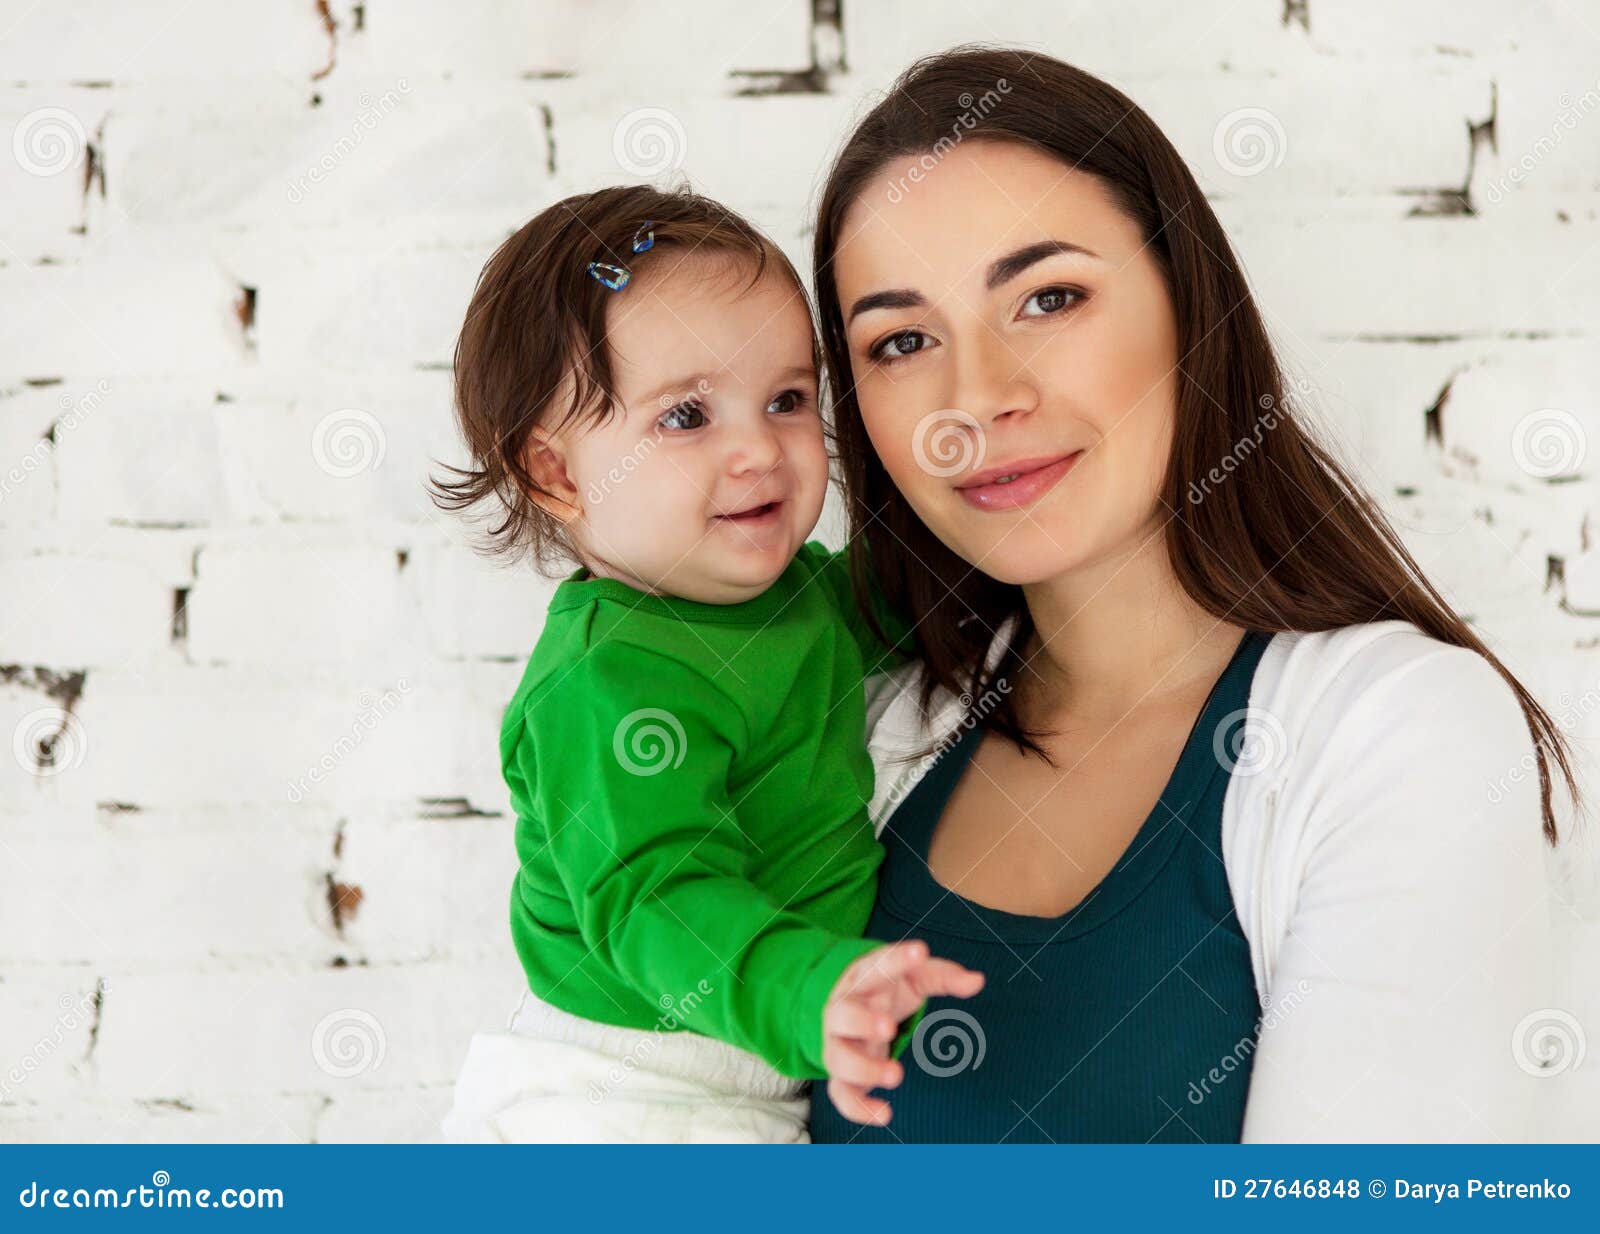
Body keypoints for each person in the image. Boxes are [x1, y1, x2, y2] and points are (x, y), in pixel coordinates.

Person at [804, 46, 1581, 1142]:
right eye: (903, 340)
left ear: (1189, 303)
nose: (975, 397)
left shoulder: (1403, 736)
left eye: (1049, 296)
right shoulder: (864, 729)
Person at [428, 185, 983, 1143]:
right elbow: (658, 901)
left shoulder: (792, 598)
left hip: (737, 1081)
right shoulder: (607, 685)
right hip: (619, 1097)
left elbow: (914, 601)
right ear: (558, 473)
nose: (759, 450)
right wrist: (807, 992)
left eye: (787, 399)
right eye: (687, 416)